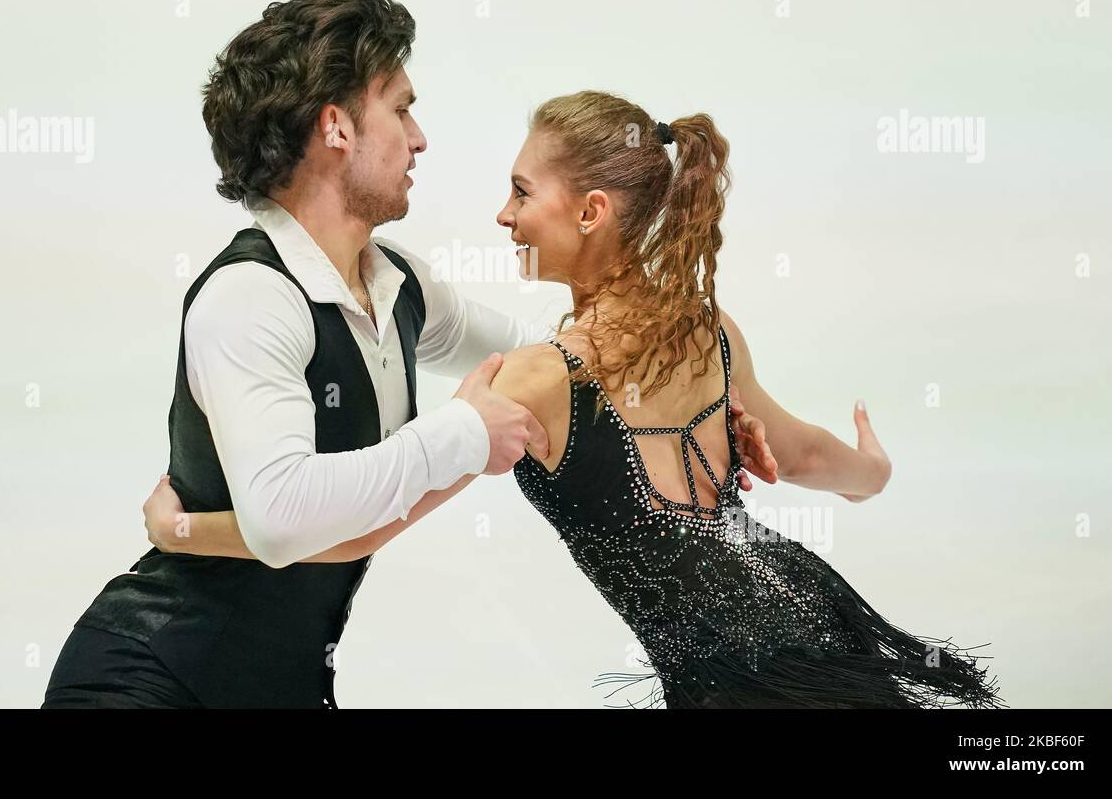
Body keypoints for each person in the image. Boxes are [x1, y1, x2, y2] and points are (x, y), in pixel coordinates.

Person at [147, 89, 1006, 709]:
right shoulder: (706, 328)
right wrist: (874, 473)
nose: (503, 216)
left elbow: (356, 529)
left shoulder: (539, 383)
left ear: (591, 210)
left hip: (745, 683)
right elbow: (818, 458)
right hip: (813, 622)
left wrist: (180, 531)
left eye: (523, 193)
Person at [42, 0, 776, 709]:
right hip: (149, 680)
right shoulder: (250, 297)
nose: (419, 137)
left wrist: (695, 400)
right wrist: (459, 433)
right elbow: (282, 515)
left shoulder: (396, 283)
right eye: (399, 108)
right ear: (336, 127)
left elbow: (556, 364)